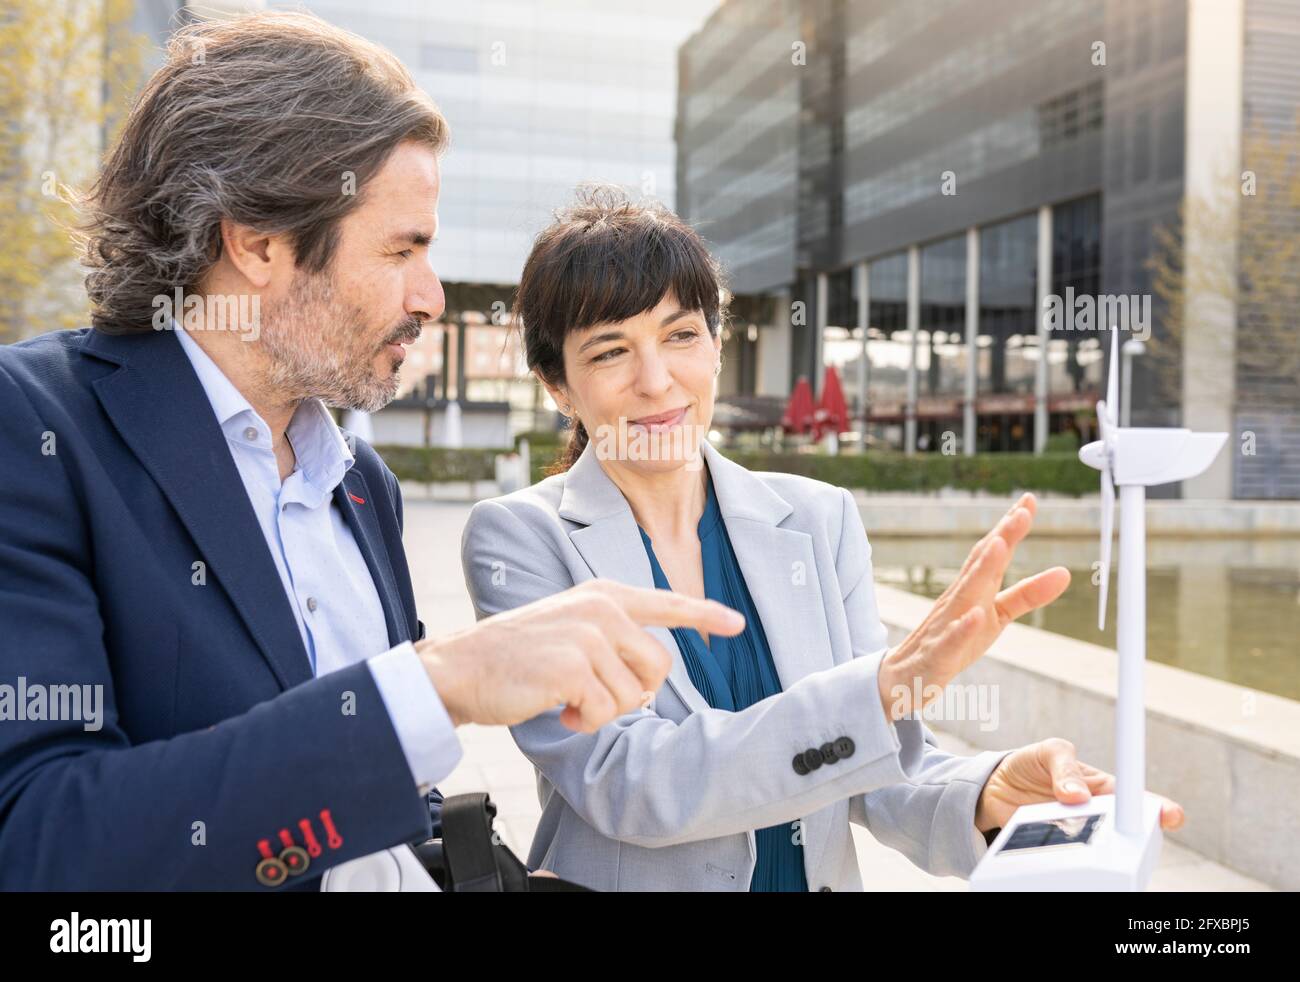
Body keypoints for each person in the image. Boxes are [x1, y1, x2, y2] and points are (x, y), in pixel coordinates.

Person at [0, 13, 743, 890]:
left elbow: (387, 817)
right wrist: (439, 685)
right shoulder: (36, 429)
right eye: (403, 249)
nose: (429, 295)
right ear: (259, 241)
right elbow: (42, 843)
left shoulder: (361, 485)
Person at [460, 188, 1185, 891]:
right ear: (557, 385)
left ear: (716, 346)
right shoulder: (521, 539)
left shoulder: (818, 519)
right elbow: (625, 783)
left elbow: (869, 770)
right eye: (611, 351)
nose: (657, 381)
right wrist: (883, 693)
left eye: (681, 335)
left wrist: (987, 793)